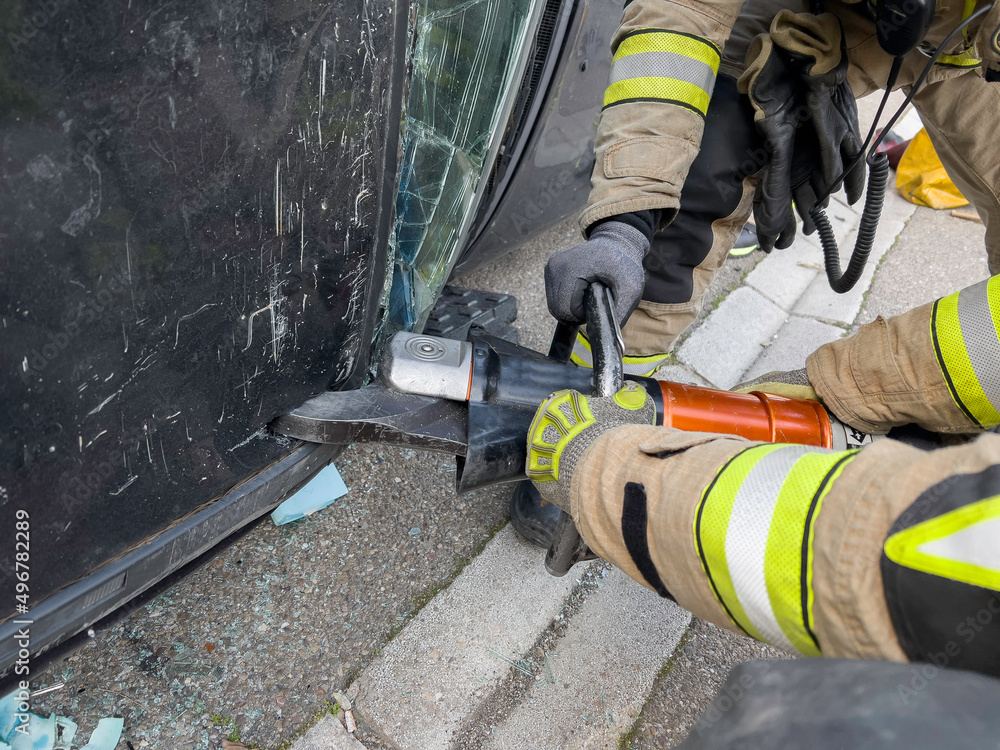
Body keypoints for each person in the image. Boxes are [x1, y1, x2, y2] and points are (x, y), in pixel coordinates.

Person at [527, 0, 1000, 677]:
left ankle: (608, 451)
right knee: (703, 166)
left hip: (982, 45)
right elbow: (679, 16)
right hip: (829, 13)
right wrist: (628, 218)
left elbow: (867, 565)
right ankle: (582, 405)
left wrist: (849, 395)